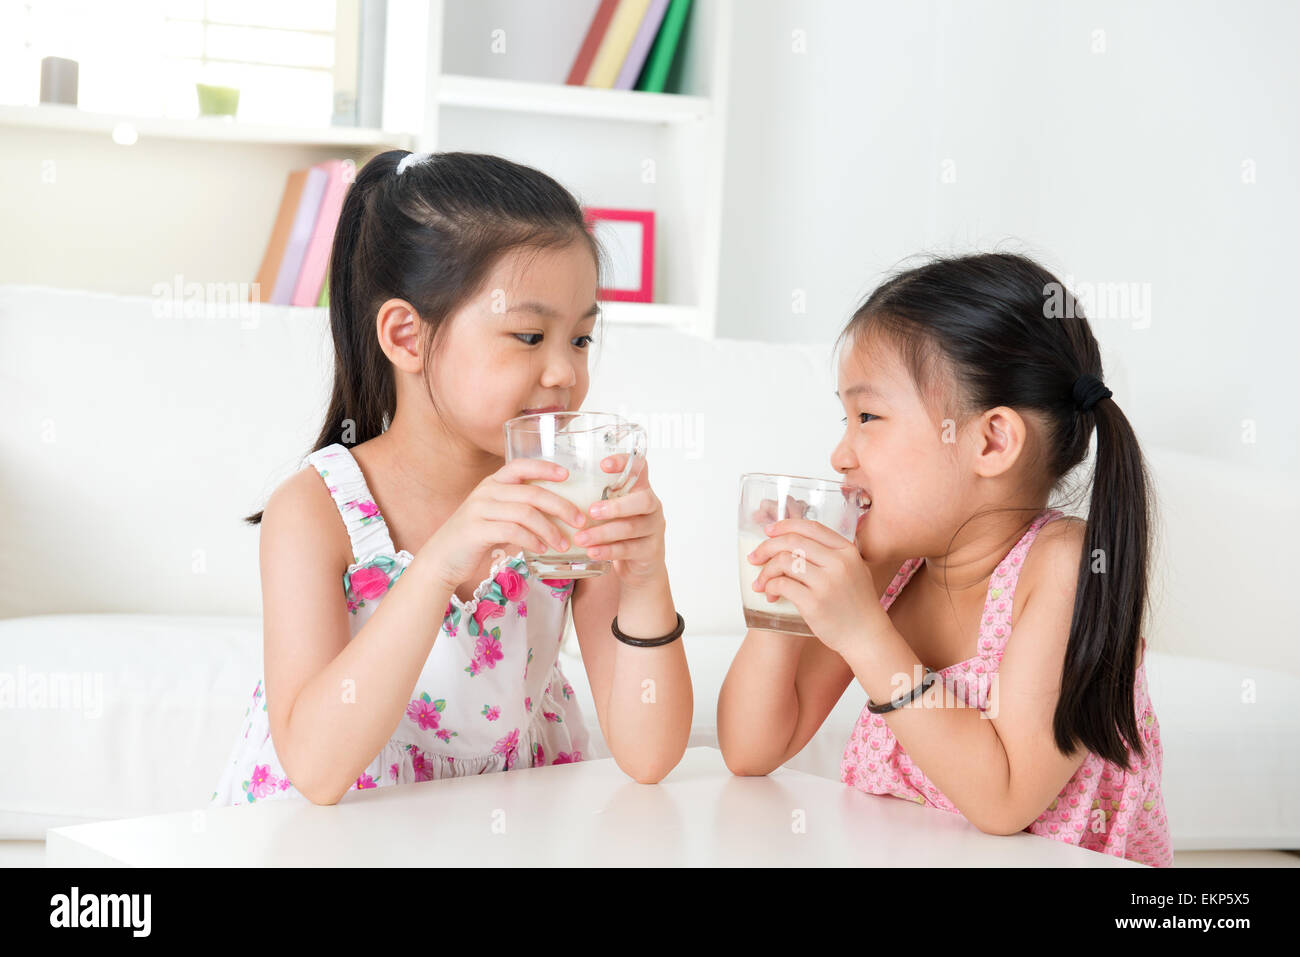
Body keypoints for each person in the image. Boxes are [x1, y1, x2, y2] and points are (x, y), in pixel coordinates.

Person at [211, 150, 689, 808]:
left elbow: (649, 754)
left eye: (579, 340)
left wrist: (645, 576)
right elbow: (317, 771)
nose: (564, 374)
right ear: (406, 335)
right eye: (528, 335)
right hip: (338, 836)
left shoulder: (569, 497)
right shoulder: (317, 510)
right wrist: (438, 565)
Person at [719, 252, 1171, 866]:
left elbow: (1005, 801)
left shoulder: (1066, 567)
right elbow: (751, 750)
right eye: (844, 418)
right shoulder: (887, 570)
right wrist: (784, 600)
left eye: (868, 417)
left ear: (989, 441)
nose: (839, 455)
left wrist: (862, 631)